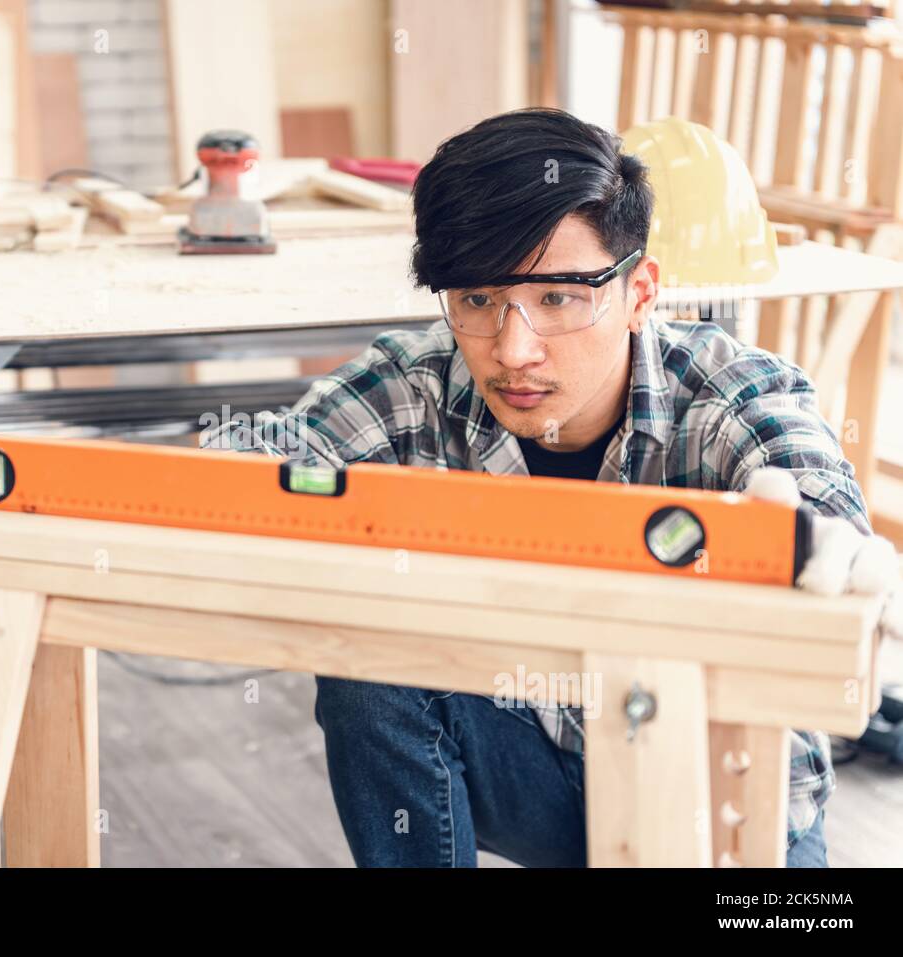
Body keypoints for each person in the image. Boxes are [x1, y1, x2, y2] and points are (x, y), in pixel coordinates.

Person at [201, 108, 900, 867]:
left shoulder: (729, 400)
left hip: (725, 810)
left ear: (640, 294)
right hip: (543, 774)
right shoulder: (420, 379)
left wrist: (825, 546)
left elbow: (816, 490)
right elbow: (256, 455)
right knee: (370, 674)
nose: (512, 349)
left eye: (558, 297)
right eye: (476, 299)